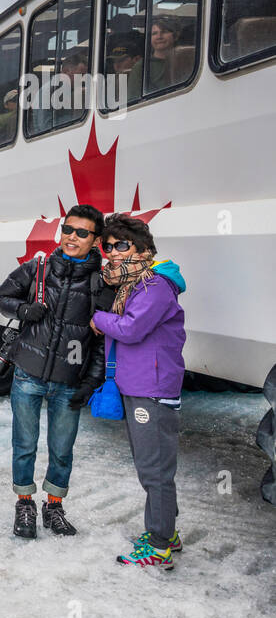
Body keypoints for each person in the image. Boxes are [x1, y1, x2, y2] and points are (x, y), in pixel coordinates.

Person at [0, 204, 107, 539]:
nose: (72, 237)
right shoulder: (39, 267)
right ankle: (25, 504)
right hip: (28, 375)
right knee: (24, 443)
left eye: (81, 232)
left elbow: (103, 338)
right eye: (67, 230)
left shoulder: (101, 283)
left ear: (95, 239)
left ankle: (54, 506)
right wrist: (24, 310)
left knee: (62, 448)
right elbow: (2, 297)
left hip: (69, 382)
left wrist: (92, 380)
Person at [90, 214, 187, 569]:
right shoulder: (134, 284)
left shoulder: (155, 286)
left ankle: (160, 544)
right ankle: (167, 532)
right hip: (140, 385)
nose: (113, 253)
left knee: (154, 468)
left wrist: (99, 319)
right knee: (152, 464)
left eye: (122, 245)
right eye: (108, 246)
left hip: (153, 389)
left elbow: (131, 329)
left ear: (144, 249)